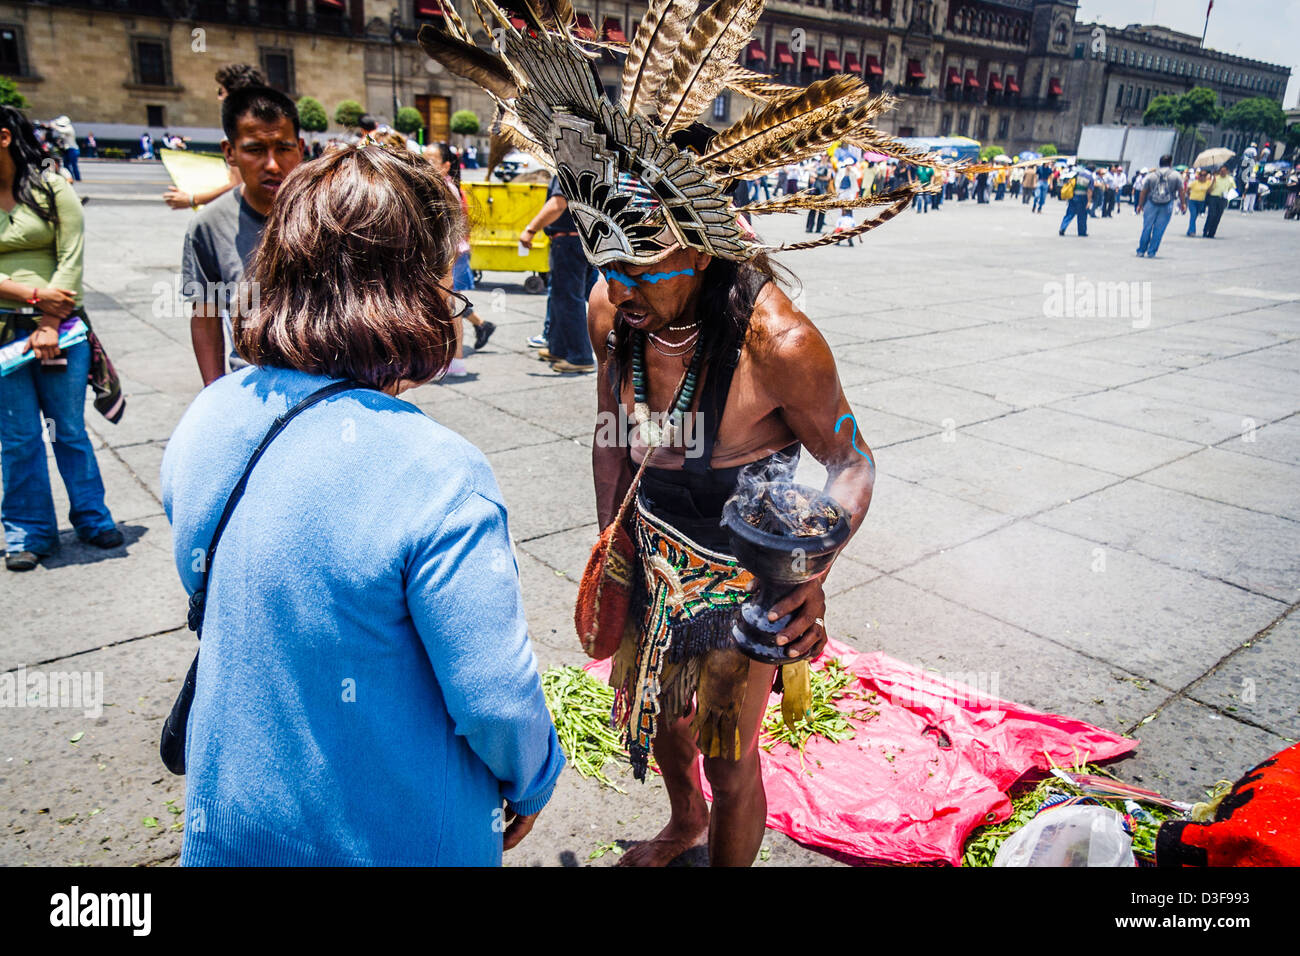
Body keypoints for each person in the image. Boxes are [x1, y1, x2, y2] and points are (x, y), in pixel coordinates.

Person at [424, 5, 908, 867]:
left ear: (699, 245)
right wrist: (608, 538)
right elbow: (612, 427)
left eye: (638, 267)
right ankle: (683, 825)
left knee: (727, 748)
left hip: (742, 568)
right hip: (652, 554)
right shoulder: (615, 304)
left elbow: (850, 459)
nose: (617, 289)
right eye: (606, 265)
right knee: (661, 727)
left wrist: (810, 571)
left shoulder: (780, 344)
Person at [162, 143, 564, 865]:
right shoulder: (438, 472)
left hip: (230, 833)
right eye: (448, 284)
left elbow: (220, 592)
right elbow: (495, 698)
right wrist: (534, 782)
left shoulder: (209, 415)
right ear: (414, 294)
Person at [0, 105, 122, 571]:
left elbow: (71, 258)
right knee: (18, 436)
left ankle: (93, 517)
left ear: (5, 137)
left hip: (62, 330)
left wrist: (49, 322)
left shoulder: (51, 189)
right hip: (5, 332)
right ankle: (27, 532)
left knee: (68, 429)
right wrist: (29, 293)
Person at [181, 85, 304, 385]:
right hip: (253, 387)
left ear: (300, 148)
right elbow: (206, 315)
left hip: (331, 389)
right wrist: (214, 397)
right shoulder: (208, 227)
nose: (273, 165)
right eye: (256, 150)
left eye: (284, 148)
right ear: (230, 152)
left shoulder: (329, 214)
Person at [519, 175, 598, 373]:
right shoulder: (585, 162)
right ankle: (558, 347)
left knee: (568, 299)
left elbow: (558, 204)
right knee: (559, 297)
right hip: (581, 240)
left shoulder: (566, 165)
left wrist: (531, 229)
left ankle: (580, 356)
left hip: (569, 241)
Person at [430, 141, 494, 375]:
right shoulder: (443, 186)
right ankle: (452, 360)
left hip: (448, 253)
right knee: (447, 306)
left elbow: (450, 227)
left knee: (448, 307)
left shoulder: (445, 189)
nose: (425, 165)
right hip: (448, 252)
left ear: (446, 166)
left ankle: (454, 361)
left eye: (431, 161)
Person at [164, 64, 267, 211]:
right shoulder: (265, 124)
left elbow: (237, 185)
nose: (219, 98)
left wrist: (192, 199)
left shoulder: (241, 131)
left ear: (232, 95)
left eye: (221, 92)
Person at [1134, 154, 1185, 258]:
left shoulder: (1151, 175)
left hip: (1151, 203)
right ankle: (1152, 252)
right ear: (1171, 163)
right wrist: (1183, 204)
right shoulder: (1176, 175)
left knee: (1147, 228)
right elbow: (1181, 191)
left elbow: (1143, 191)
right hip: (1167, 204)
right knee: (1159, 230)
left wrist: (1140, 204)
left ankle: (1141, 250)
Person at [1058, 165, 1093, 236]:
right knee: (1082, 215)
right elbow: (1089, 191)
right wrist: (1089, 201)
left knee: (1069, 213)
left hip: (1073, 196)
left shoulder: (1077, 174)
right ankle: (1082, 232)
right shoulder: (1090, 178)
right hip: (1083, 197)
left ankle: (1062, 228)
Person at [1202, 165, 1234, 238]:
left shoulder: (1230, 179)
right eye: (1221, 171)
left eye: (1224, 171)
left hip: (1223, 199)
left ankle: (1212, 233)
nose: (1222, 172)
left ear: (1227, 171)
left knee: (1218, 216)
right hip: (1213, 197)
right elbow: (1209, 190)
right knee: (1211, 214)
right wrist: (1213, 182)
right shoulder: (1215, 178)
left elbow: (1232, 189)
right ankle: (1205, 230)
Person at [1185, 168, 1211, 235]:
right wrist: (1189, 195)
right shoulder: (1194, 182)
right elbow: (1188, 189)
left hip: (1201, 201)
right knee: (1193, 215)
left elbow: (1209, 191)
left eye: (1204, 175)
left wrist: (1213, 181)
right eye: (1201, 175)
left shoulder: (1208, 183)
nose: (1202, 177)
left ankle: (1189, 230)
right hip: (1192, 201)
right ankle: (1192, 231)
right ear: (1198, 176)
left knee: (1195, 216)